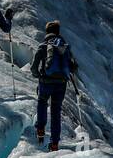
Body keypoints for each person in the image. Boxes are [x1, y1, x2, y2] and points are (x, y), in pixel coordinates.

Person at [30, 20, 78, 150]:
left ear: (47, 32)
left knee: (42, 102)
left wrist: (39, 75)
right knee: (56, 110)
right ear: (58, 32)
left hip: (46, 82)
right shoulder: (64, 47)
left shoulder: (43, 46)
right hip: (61, 84)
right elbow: (74, 67)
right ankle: (55, 142)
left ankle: (40, 130)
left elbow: (34, 67)